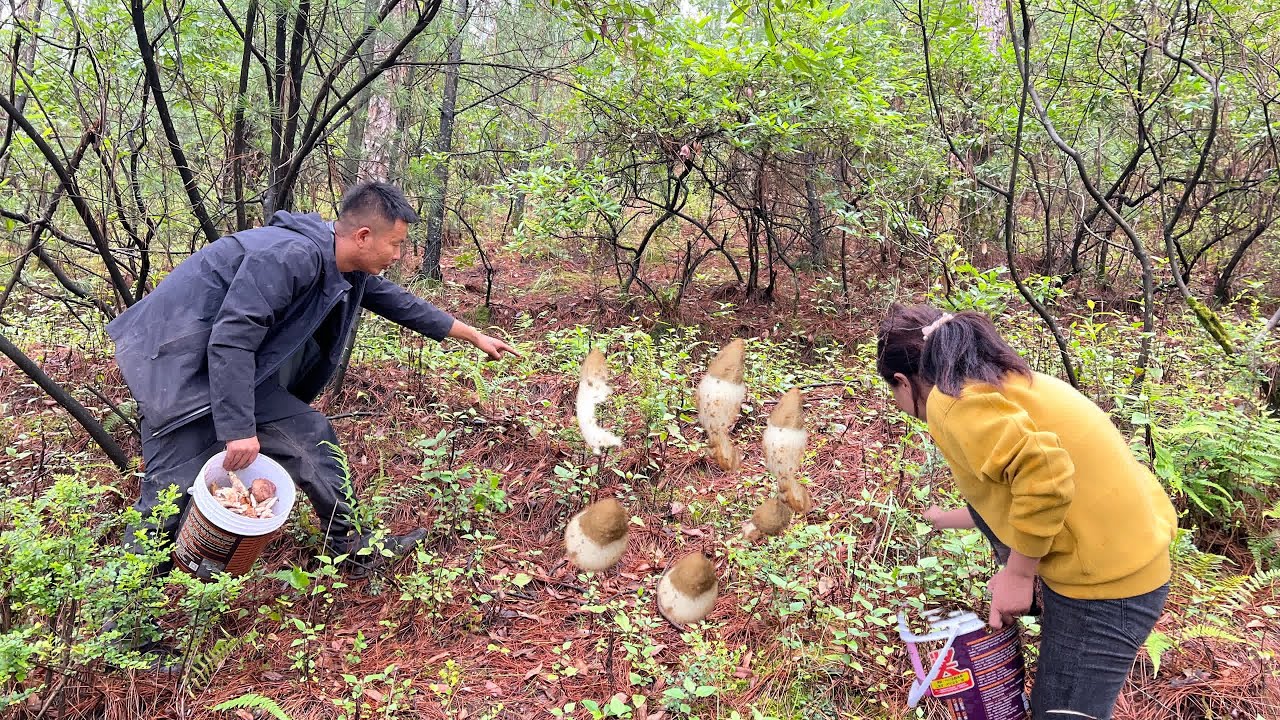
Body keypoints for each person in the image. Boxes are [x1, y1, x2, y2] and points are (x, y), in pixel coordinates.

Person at [108, 181, 517, 579]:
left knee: (311, 436)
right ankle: (129, 621)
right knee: (165, 497)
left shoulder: (339, 264)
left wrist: (475, 335)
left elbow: (397, 302)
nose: (397, 254)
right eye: (395, 244)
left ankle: (351, 548)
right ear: (362, 236)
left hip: (229, 371)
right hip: (176, 372)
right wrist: (238, 430)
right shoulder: (291, 256)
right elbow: (231, 339)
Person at [877, 304, 1177, 720]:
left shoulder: (952, 403)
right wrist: (951, 517)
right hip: (1122, 552)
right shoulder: (993, 381)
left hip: (1106, 584)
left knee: (1061, 713)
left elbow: (1045, 474)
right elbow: (1015, 487)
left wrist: (1018, 574)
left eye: (894, 395)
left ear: (902, 381)